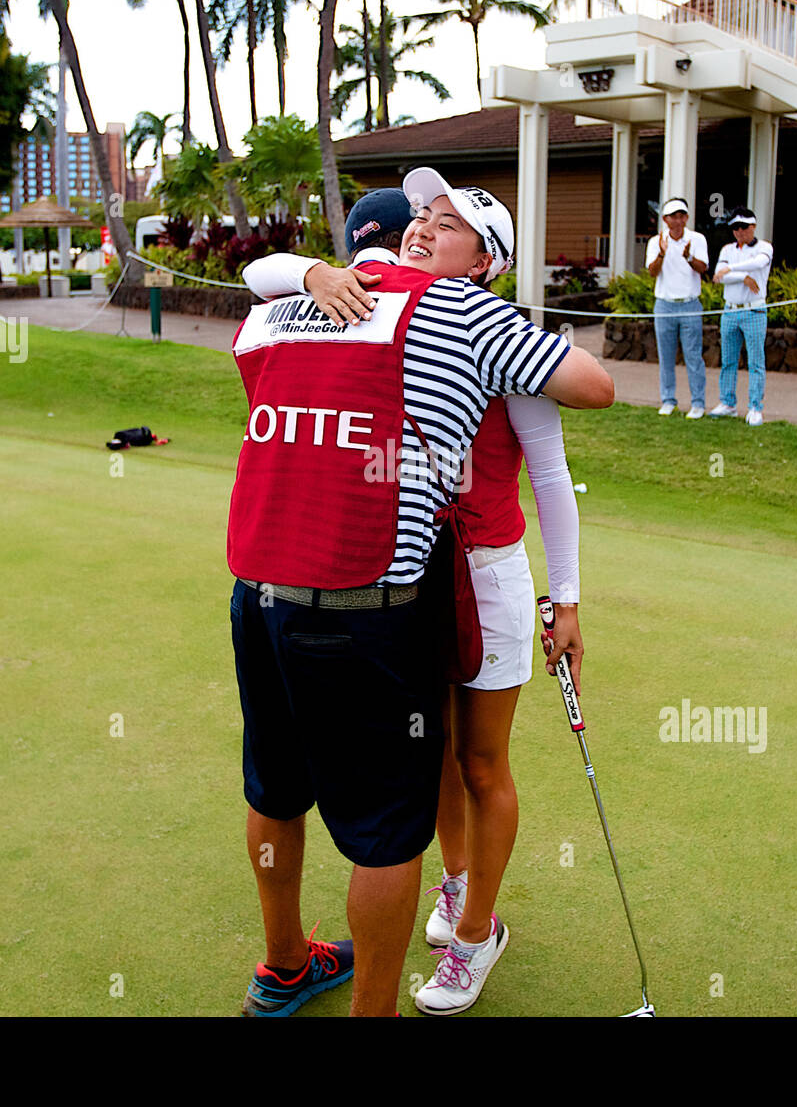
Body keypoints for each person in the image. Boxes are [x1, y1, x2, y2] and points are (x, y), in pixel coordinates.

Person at [229, 177, 614, 1018]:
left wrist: (569, 596)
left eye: (449, 225)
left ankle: (474, 928)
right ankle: (443, 898)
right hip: (403, 586)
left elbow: (556, 467)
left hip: (470, 574)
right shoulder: (369, 305)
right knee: (425, 764)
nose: (424, 228)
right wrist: (309, 274)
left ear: (488, 262)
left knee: (476, 763)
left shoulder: (482, 327)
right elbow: (266, 276)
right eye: (421, 219)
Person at [710, 207, 774, 427]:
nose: (739, 232)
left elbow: (759, 264)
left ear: (753, 226)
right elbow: (719, 278)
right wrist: (743, 277)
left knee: (756, 362)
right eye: (735, 228)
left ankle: (755, 407)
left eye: (743, 227)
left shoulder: (764, 247)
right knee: (728, 361)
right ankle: (727, 403)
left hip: (753, 311)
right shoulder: (727, 249)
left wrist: (732, 270)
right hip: (730, 310)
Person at [645, 197, 709, 419]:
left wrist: (688, 256)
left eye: (682, 216)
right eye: (673, 216)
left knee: (693, 356)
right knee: (666, 356)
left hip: (690, 304)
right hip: (664, 305)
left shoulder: (697, 239)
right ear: (665, 219)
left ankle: (698, 403)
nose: (678, 220)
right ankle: (668, 399)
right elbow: (653, 272)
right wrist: (663, 253)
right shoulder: (656, 241)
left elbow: (703, 268)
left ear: (687, 218)